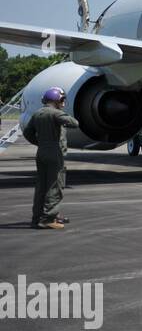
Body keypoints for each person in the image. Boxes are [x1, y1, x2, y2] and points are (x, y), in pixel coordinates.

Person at [22, 86, 78, 230]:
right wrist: (61, 114)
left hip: (41, 152)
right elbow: (74, 123)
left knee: (42, 186)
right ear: (57, 100)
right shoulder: (55, 114)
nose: (63, 102)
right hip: (54, 153)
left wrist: (40, 143)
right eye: (62, 99)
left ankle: (37, 217)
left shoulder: (37, 114)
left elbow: (28, 132)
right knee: (55, 186)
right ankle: (48, 219)